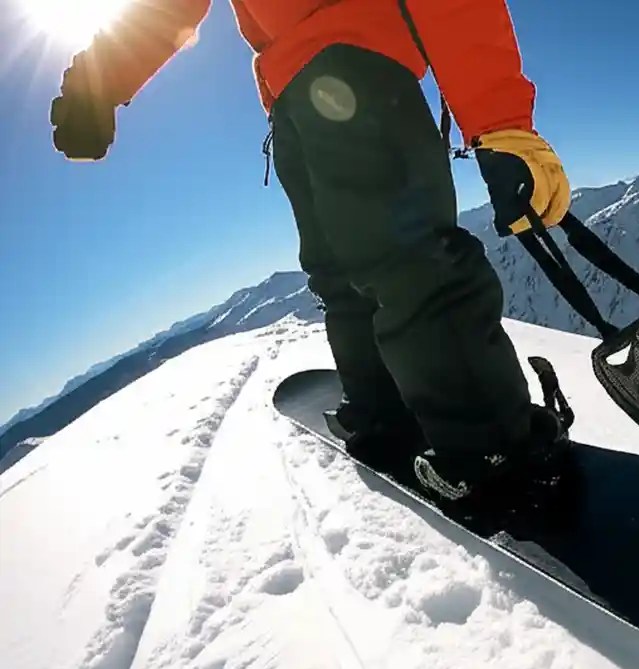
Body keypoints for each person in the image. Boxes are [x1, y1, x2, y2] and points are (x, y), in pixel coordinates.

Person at [49, 0, 573, 504]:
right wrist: (99, 80)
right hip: (322, 84)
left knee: (380, 265)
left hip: (332, 80)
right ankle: (439, 432)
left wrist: (498, 118)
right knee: (369, 268)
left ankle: (439, 433)